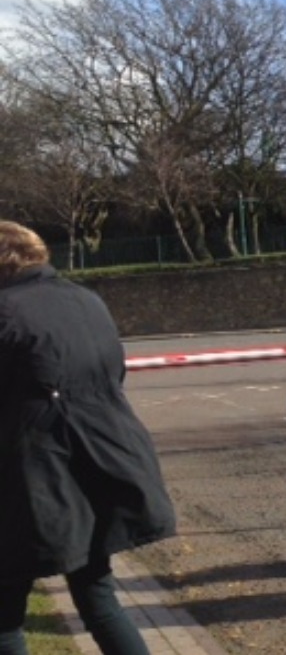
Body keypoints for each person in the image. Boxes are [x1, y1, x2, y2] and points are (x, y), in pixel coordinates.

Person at [0, 220, 176, 655]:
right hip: (103, 458)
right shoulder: (87, 300)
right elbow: (113, 373)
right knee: (98, 598)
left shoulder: (6, 311)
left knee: (4, 616)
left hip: (36, 474)